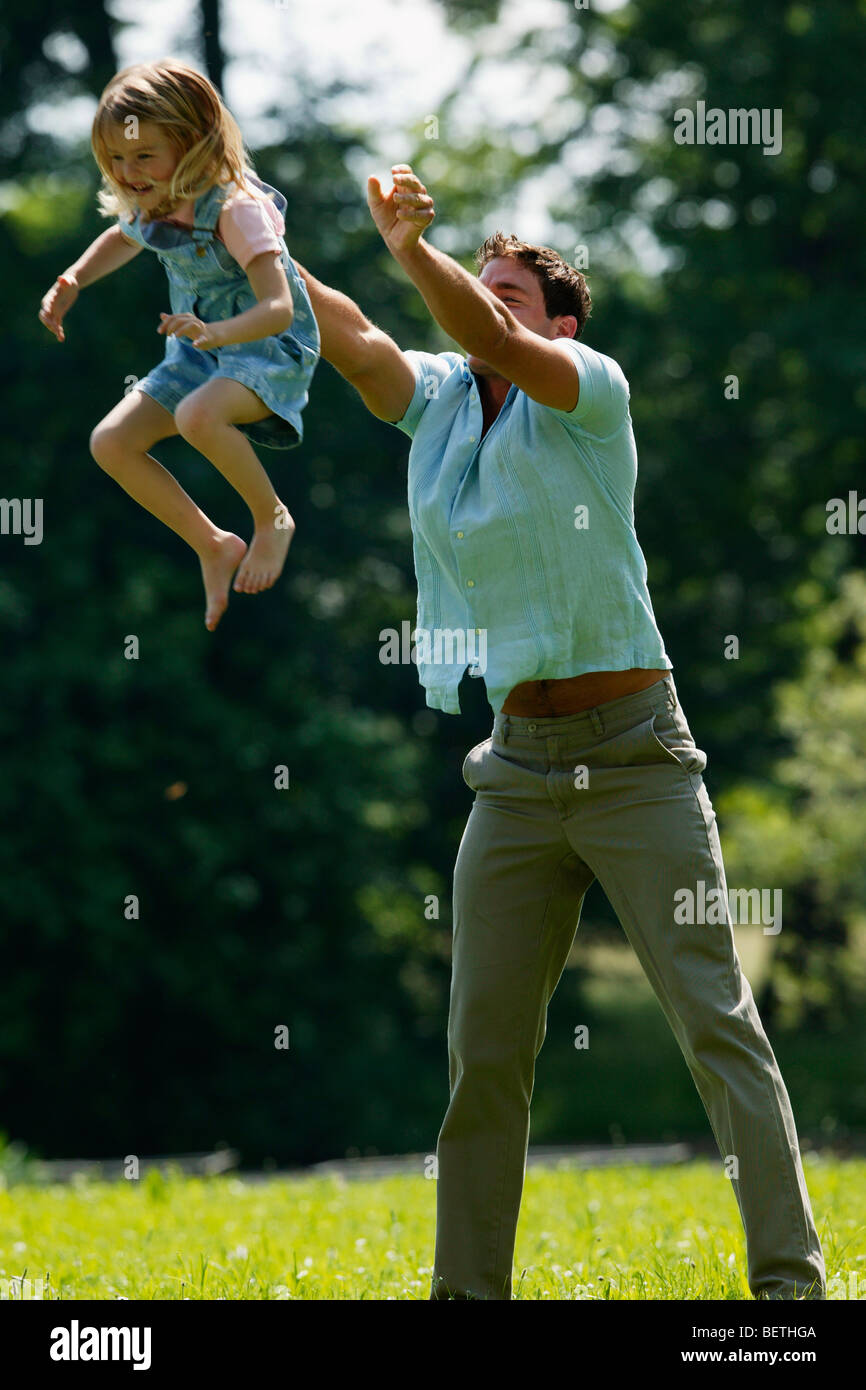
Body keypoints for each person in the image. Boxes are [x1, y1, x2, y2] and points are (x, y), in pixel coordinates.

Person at [294, 163, 826, 1302]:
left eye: (509, 296)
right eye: (478, 287)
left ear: (559, 322)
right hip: (514, 772)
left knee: (716, 1029)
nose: (486, 305)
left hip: (635, 755)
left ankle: (790, 1290)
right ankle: (466, 1293)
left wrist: (415, 258)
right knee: (482, 1059)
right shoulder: (443, 401)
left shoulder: (587, 391)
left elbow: (465, 320)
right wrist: (243, 239)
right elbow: (348, 338)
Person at [38, 59, 319, 631]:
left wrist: (218, 332)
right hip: (198, 355)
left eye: (143, 155)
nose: (129, 171)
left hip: (270, 350)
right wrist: (72, 279)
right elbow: (122, 236)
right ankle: (213, 544)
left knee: (197, 417)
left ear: (193, 145)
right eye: (116, 158)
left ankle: (273, 519)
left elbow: (279, 308)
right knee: (111, 442)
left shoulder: (237, 211)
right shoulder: (154, 203)